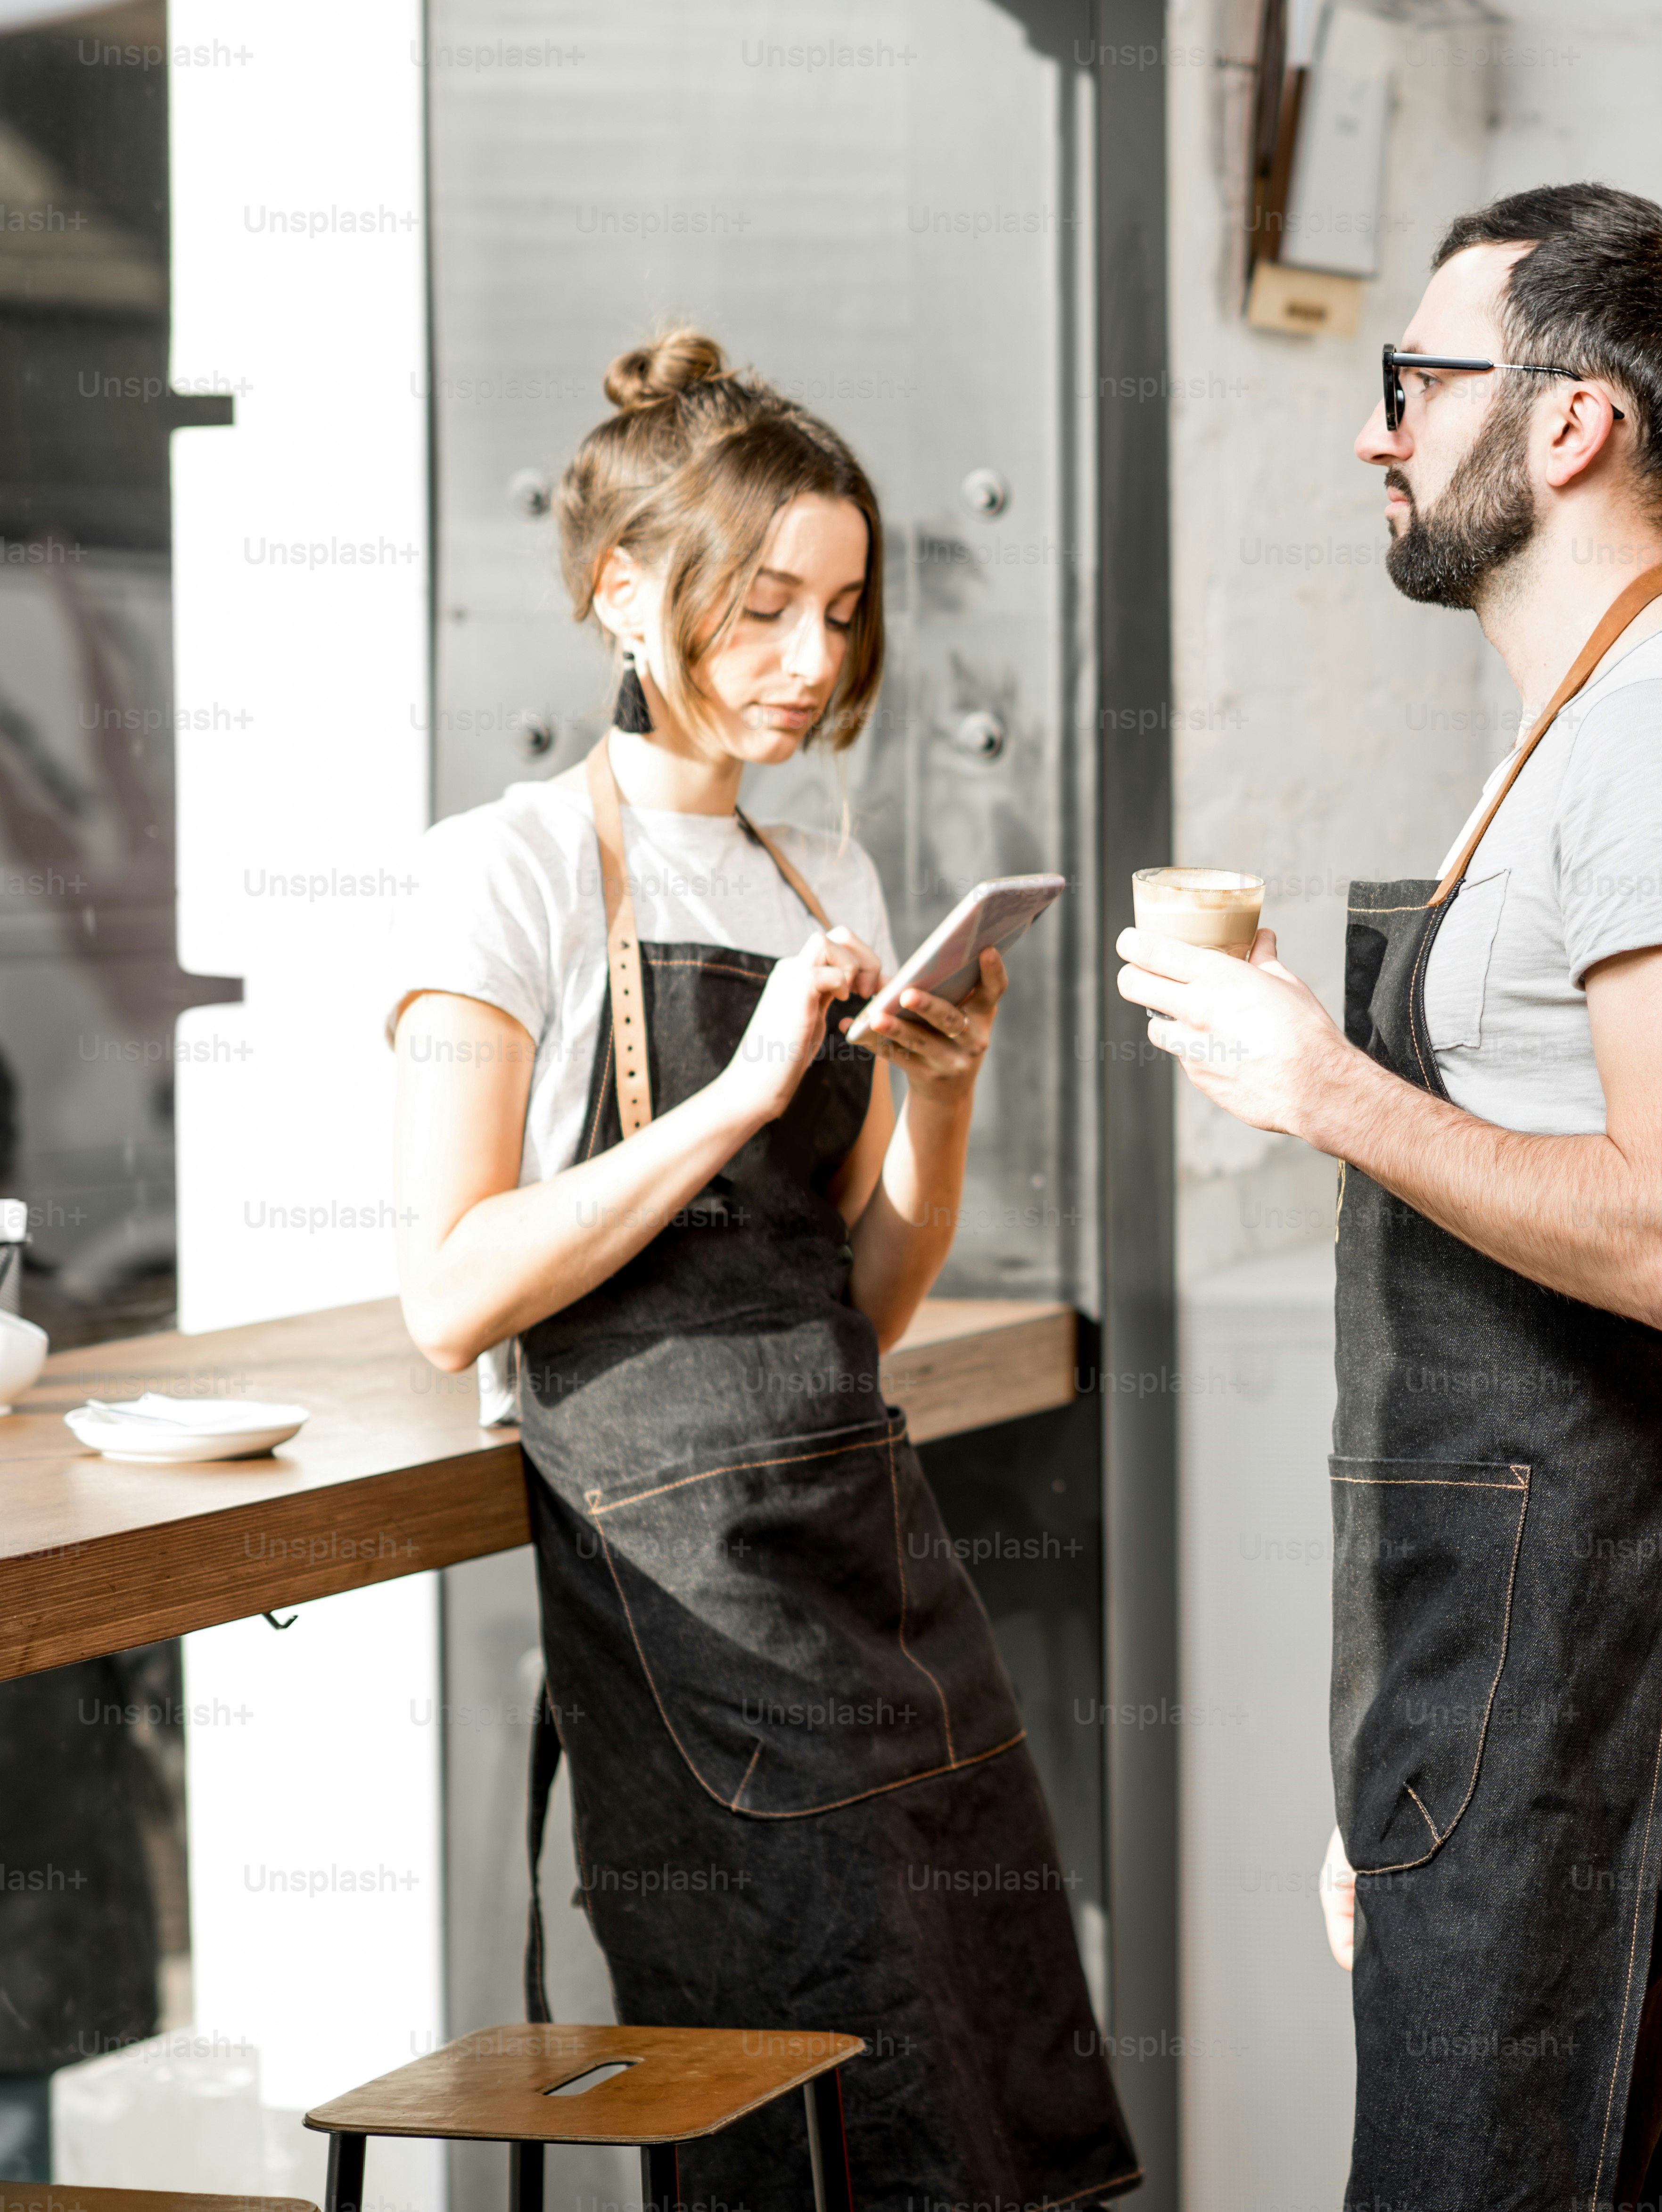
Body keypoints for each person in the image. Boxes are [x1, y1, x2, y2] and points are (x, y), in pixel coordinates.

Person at [1116, 184, 1662, 2211]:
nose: (1380, 432)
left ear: (1566, 427)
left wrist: (1328, 1087)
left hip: (1594, 1678)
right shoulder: (1592, 729)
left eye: (1417, 384)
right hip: (1508, 1673)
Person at [390, 331, 1138, 2212]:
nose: (814, 661)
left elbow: (855, 1306)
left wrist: (944, 1102)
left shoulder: (832, 877)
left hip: (871, 1557)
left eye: (845, 611)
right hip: (691, 1612)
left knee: (976, 2080)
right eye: (767, 605)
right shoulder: (508, 875)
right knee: (792, 2120)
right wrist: (732, 1098)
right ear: (622, 590)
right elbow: (452, 1288)